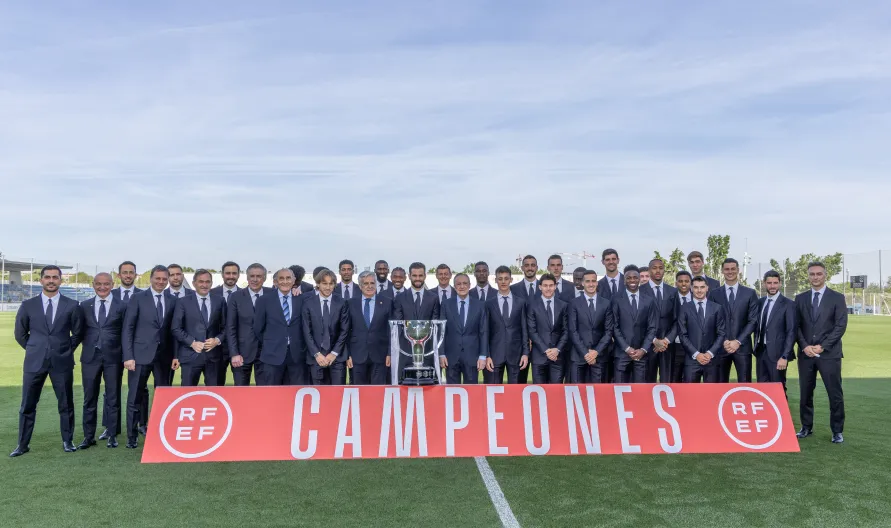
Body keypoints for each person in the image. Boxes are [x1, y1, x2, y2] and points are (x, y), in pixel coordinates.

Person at [10, 265, 83, 457]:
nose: (51, 280)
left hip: (62, 362)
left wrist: (64, 350)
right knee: (27, 404)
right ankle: (22, 444)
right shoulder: (28, 305)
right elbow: (20, 334)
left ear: (61, 280)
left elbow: (77, 333)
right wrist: (35, 349)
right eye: (48, 277)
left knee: (66, 403)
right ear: (41, 280)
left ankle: (68, 441)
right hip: (34, 362)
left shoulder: (72, 305)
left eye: (55, 277)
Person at [122, 265, 178, 449]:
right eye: (158, 278)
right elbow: (128, 328)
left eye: (164, 279)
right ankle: (131, 437)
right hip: (139, 357)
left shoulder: (173, 300)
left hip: (164, 358)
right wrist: (128, 356)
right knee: (135, 397)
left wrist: (175, 355)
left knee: (163, 397)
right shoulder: (137, 298)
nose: (161, 282)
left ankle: (161, 433)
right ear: (151, 278)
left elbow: (174, 331)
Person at [795, 261, 847, 443]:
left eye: (818, 274)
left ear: (825, 275)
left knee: (835, 394)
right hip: (806, 354)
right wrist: (804, 346)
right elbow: (796, 326)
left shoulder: (837, 297)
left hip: (829, 354)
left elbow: (840, 326)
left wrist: (822, 346)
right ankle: (806, 427)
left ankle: (837, 431)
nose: (815, 277)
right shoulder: (800, 298)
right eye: (812, 274)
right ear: (808, 276)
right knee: (805, 393)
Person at [77, 272, 125, 449]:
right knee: (89, 399)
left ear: (112, 284)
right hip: (90, 359)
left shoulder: (122, 305)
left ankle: (112, 435)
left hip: (114, 358)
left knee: (113, 398)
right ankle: (88, 437)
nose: (102, 287)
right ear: (93, 284)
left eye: (106, 284)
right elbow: (79, 332)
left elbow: (126, 334)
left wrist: (127, 356)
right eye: (98, 284)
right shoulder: (84, 305)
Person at [101, 260, 141, 441]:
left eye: (131, 272)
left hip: (137, 351)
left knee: (140, 390)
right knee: (111, 390)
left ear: (135, 275)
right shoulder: (110, 294)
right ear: (119, 275)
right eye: (124, 272)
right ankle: (111, 428)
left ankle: (142, 424)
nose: (128, 275)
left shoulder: (143, 295)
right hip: (113, 350)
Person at [171, 270, 226, 386]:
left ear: (211, 283)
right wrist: (192, 343)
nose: (204, 285)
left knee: (215, 395)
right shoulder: (183, 302)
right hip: (190, 355)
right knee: (187, 395)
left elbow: (226, 327)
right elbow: (176, 328)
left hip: (213, 357)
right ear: (194, 283)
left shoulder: (220, 301)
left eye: (207, 282)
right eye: (201, 281)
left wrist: (217, 340)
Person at [253, 268, 307, 385]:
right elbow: (258, 328)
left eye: (288, 278)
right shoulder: (264, 300)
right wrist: (272, 342)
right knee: (272, 396)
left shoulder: (302, 299)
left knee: (294, 395)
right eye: (281, 278)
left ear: (294, 281)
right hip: (272, 356)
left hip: (297, 356)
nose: (285, 281)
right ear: (276, 281)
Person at [709, 258, 758, 383]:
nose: (730, 272)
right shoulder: (714, 294)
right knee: (720, 386)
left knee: (745, 386)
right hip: (720, 347)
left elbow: (752, 320)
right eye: (726, 269)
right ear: (722, 271)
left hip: (742, 348)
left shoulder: (750, 293)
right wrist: (724, 340)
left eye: (733, 269)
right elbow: (712, 321)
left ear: (738, 270)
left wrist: (738, 341)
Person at [392, 262, 441, 382]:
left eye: (420, 275)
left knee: (428, 386)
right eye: (414, 275)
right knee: (404, 385)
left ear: (425, 276)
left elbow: (435, 326)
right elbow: (398, 325)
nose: (417, 278)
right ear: (409, 276)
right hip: (406, 351)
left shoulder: (433, 298)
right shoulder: (400, 298)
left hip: (427, 351)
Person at [611, 265, 658, 383]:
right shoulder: (616, 300)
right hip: (622, 353)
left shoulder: (649, 300)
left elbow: (652, 327)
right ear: (624, 280)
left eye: (635, 277)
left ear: (639, 279)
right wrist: (627, 348)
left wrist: (643, 349)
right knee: (620, 390)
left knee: (640, 392)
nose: (632, 280)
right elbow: (614, 327)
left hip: (641, 354)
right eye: (629, 278)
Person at [227, 263, 271, 386]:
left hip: (266, 354)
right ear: (247, 277)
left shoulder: (273, 294)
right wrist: (234, 353)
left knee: (265, 392)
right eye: (252, 276)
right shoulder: (235, 297)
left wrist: (297, 289)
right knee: (241, 393)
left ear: (265, 278)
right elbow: (230, 327)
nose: (255, 279)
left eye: (259, 276)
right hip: (242, 354)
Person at [304, 269, 351, 385]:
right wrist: (317, 354)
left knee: (337, 395)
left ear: (334, 285)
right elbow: (306, 331)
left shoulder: (341, 302)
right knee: (318, 395)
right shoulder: (308, 303)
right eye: (324, 283)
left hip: (337, 358)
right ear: (318, 284)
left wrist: (334, 353)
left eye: (331, 283)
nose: (328, 287)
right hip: (316, 359)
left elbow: (344, 330)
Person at [440, 273, 489, 384]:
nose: (462, 286)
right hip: (451, 357)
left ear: (470, 285)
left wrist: (482, 355)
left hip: (472, 357)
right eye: (458, 284)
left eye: (465, 283)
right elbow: (441, 332)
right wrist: (441, 353)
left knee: (472, 393)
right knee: (451, 393)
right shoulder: (446, 304)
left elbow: (483, 332)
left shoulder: (480, 305)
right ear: (454, 286)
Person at [754, 270, 796, 395]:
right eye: (769, 283)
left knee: (778, 388)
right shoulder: (760, 303)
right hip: (761, 352)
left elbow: (791, 332)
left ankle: (782, 414)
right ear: (764, 284)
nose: (772, 286)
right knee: (762, 389)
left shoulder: (788, 304)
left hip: (778, 355)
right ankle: (765, 414)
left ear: (780, 284)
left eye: (775, 283)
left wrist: (784, 356)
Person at [567, 270, 613, 383]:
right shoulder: (574, 303)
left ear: (597, 283)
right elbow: (573, 331)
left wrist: (596, 352)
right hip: (578, 356)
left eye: (593, 281)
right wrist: (586, 353)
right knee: (577, 395)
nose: (591, 284)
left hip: (599, 356)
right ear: (583, 283)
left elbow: (608, 331)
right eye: (588, 281)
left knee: (598, 395)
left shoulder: (606, 303)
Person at [348, 271, 393, 385]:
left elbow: (391, 331)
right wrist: (347, 355)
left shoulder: (387, 302)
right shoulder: (350, 303)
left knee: (378, 393)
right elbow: (346, 331)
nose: (370, 286)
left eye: (372, 283)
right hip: (357, 356)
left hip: (380, 355)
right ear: (360, 286)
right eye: (366, 283)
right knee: (359, 393)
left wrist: (390, 353)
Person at [486, 266, 529, 384]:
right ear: (495, 280)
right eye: (500, 279)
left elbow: (524, 330)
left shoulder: (520, 302)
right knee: (494, 392)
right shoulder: (488, 303)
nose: (503, 281)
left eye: (506, 278)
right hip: (495, 355)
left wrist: (525, 353)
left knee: (515, 392)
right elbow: (485, 331)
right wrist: (487, 355)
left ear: (511, 279)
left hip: (515, 354)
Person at [678, 276, 726, 383]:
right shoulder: (684, 308)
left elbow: (721, 333)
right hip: (692, 360)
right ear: (691, 288)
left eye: (702, 287)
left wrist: (710, 353)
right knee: (690, 395)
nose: (699, 290)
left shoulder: (717, 308)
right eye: (696, 287)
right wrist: (696, 354)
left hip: (711, 360)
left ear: (707, 288)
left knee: (712, 396)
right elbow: (682, 335)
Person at [639, 258, 679, 383]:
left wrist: (666, 340)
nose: (658, 270)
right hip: (647, 345)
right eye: (654, 268)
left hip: (668, 345)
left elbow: (678, 319)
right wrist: (654, 340)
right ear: (649, 270)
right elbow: (639, 321)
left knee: (667, 381)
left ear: (664, 271)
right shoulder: (640, 291)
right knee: (647, 381)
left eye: (660, 268)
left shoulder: (673, 291)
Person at [526, 273, 569, 384]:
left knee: (556, 394)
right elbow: (532, 331)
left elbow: (566, 330)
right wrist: (546, 350)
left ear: (555, 286)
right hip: (539, 356)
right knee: (540, 393)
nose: (548, 288)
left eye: (551, 285)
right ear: (540, 287)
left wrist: (557, 349)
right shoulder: (532, 305)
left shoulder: (563, 305)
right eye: (545, 285)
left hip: (557, 357)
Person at [510, 254, 539, 383]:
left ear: (537, 268)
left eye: (532, 265)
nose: (530, 268)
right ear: (522, 268)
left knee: (542, 381)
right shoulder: (513, 289)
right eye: (527, 265)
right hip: (520, 342)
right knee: (519, 381)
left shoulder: (546, 288)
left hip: (541, 341)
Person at [210, 261, 240, 386]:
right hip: (216, 348)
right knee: (216, 385)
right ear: (222, 275)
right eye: (228, 273)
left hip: (239, 348)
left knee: (241, 386)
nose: (231, 276)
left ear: (238, 275)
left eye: (234, 273)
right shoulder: (211, 293)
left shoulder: (246, 295)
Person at [671, 271, 694, 382]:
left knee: (690, 378)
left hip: (693, 345)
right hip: (675, 345)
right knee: (675, 378)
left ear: (691, 283)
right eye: (680, 281)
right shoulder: (670, 298)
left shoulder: (698, 298)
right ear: (676, 283)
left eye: (686, 281)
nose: (683, 284)